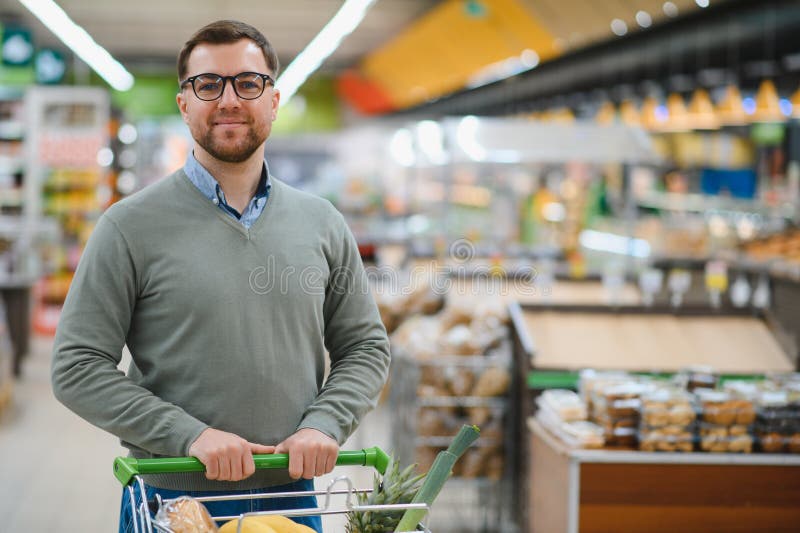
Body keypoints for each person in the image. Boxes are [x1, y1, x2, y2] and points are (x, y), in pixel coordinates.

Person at [51, 20, 391, 533]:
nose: (229, 99)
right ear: (184, 103)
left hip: (292, 500)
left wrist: (326, 422)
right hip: (173, 497)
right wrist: (188, 435)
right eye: (208, 84)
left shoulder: (322, 223)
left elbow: (365, 346)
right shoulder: (128, 226)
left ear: (273, 100)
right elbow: (77, 366)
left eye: (248, 83)